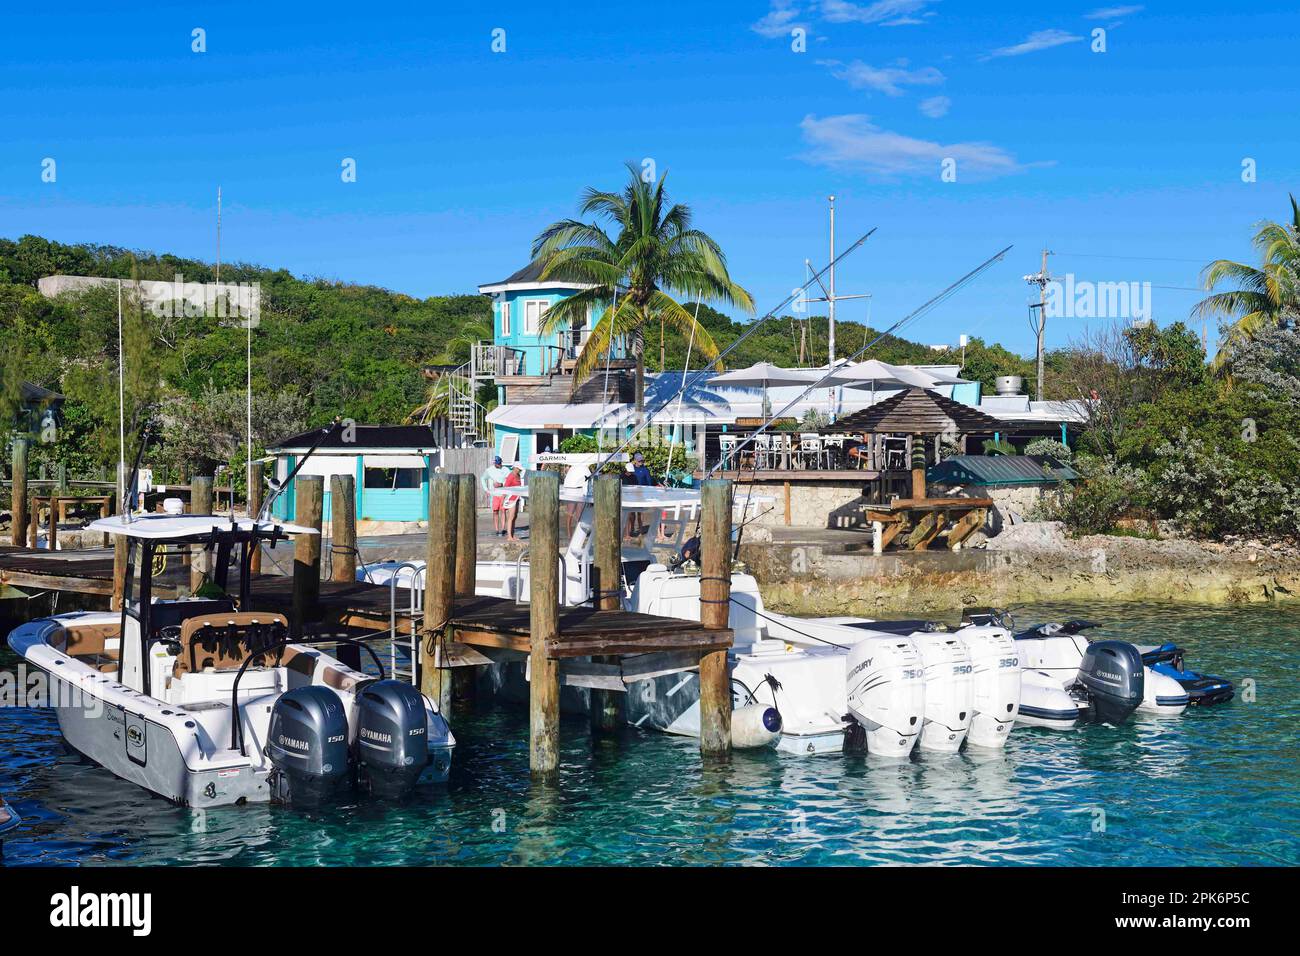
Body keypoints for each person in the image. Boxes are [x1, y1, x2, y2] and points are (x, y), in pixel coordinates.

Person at [624, 451, 658, 539]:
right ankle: (631, 529)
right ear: (635, 460)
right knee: (631, 514)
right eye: (639, 461)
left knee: (640, 513)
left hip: (641, 493)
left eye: (642, 460)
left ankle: (641, 530)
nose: (641, 462)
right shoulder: (631, 468)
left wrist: (650, 492)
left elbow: (649, 482)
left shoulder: (645, 470)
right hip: (631, 494)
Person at [481, 455, 511, 536]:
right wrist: (486, 490)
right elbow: (483, 478)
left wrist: (501, 484)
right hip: (494, 494)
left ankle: (503, 529)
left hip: (503, 494)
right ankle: (497, 529)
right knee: (495, 511)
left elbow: (509, 480)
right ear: (494, 463)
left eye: (500, 463)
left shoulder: (506, 470)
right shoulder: (489, 470)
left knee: (503, 510)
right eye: (497, 463)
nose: (499, 465)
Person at [563, 460, 592, 537]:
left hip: (579, 489)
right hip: (571, 488)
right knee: (570, 513)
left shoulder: (583, 467)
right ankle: (569, 534)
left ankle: (579, 533)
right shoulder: (580, 466)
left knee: (579, 514)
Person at [503, 463, 526, 542]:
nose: (520, 470)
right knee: (511, 517)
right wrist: (502, 500)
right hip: (511, 499)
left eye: (520, 469)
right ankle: (509, 536)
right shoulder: (511, 476)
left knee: (514, 517)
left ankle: (512, 535)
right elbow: (505, 488)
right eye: (519, 469)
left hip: (517, 498)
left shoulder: (518, 476)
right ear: (515, 468)